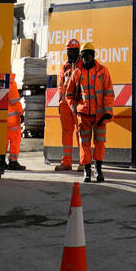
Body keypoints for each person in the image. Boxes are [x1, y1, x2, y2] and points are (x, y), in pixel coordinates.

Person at [65, 41, 114, 183]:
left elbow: (109, 93)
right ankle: (87, 171)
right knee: (84, 144)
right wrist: (75, 109)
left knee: (100, 143)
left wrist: (107, 112)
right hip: (84, 116)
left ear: (93, 55)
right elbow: (69, 95)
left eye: (88, 54)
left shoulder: (103, 71)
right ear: (82, 56)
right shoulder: (77, 73)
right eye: (84, 55)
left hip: (100, 116)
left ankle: (98, 170)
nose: (86, 57)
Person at [53, 38, 81, 173]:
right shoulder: (65, 66)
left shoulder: (83, 65)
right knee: (66, 133)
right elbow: (60, 85)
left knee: (81, 133)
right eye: (68, 51)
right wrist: (60, 101)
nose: (69, 53)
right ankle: (66, 162)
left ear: (78, 51)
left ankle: (83, 162)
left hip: (77, 104)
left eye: (72, 51)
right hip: (65, 105)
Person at [5, 71, 26, 171]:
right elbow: (14, 101)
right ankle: (13, 162)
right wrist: (21, 113)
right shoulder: (10, 81)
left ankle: (1, 161)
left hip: (3, 118)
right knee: (15, 139)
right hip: (13, 118)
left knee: (4, 140)